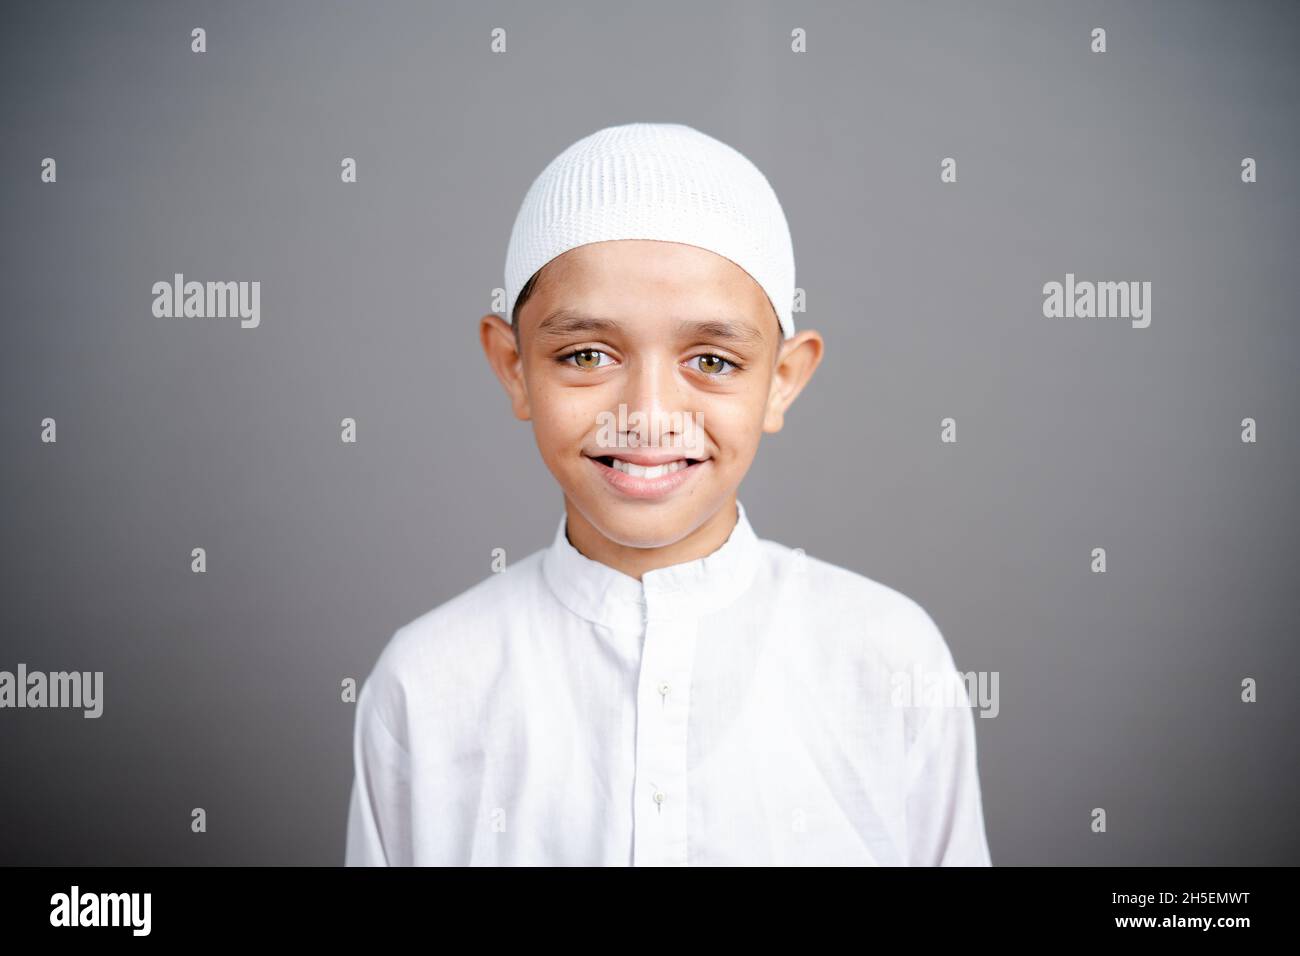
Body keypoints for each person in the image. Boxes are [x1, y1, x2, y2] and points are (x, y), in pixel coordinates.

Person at [345, 122, 993, 866]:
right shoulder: (427, 685)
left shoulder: (886, 659)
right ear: (513, 365)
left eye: (712, 360)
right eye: (587, 354)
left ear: (781, 380)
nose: (648, 414)